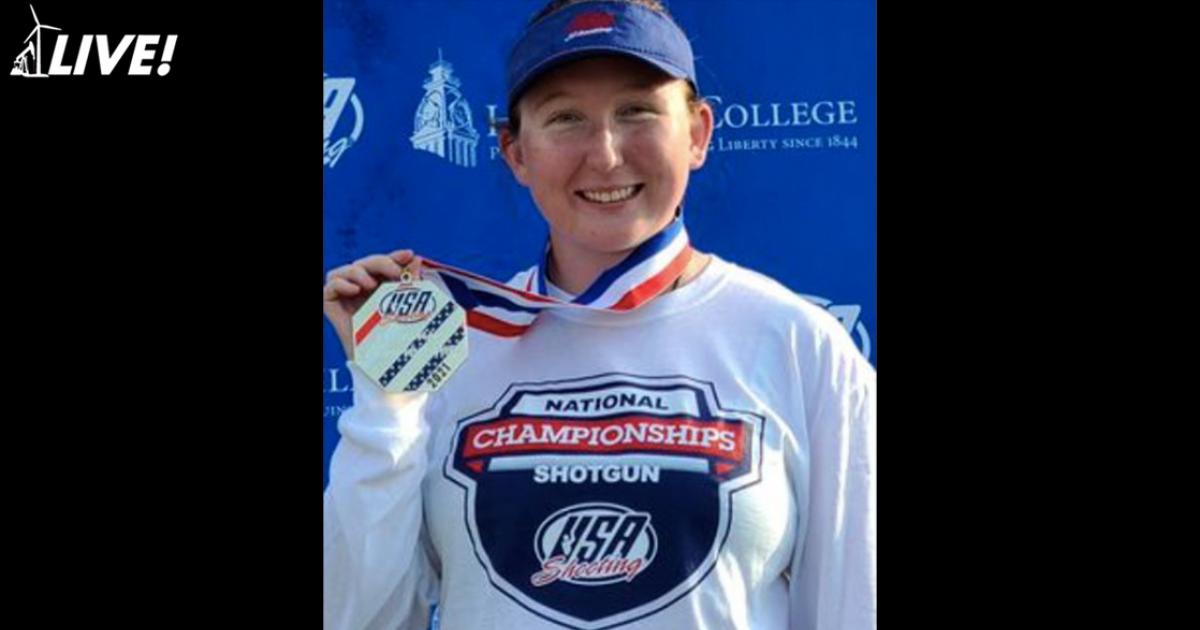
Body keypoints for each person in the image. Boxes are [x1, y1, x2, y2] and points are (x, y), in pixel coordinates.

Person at [323, 1, 875, 628]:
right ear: (515, 153)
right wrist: (386, 398)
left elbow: (855, 607)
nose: (606, 155)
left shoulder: (800, 345)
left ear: (696, 133)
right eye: (565, 119)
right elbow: (356, 617)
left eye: (637, 110)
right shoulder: (451, 347)